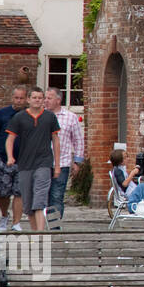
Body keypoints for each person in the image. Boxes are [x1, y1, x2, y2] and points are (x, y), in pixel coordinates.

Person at [4, 87, 60, 231]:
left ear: (43, 100)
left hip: (44, 162)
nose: (37, 100)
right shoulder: (19, 117)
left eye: (40, 98)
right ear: (28, 99)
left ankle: (40, 234)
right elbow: (10, 139)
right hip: (25, 164)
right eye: (34, 97)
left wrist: (57, 165)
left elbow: (55, 140)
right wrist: (10, 156)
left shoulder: (49, 117)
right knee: (28, 204)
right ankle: (35, 234)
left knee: (40, 200)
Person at [0, 85, 27, 231]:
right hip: (3, 159)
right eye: (16, 98)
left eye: (21, 98)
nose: (19, 101)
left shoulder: (29, 115)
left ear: (26, 99)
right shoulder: (2, 114)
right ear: (12, 98)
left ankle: (16, 222)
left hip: (23, 160)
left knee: (19, 192)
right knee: (2, 193)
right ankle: (4, 215)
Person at [43, 87, 85, 231]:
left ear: (58, 100)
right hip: (42, 163)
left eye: (49, 98)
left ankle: (54, 228)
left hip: (62, 163)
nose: (46, 101)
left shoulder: (70, 117)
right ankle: (42, 225)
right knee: (42, 195)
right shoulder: (41, 116)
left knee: (56, 195)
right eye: (45, 98)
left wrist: (77, 161)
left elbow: (78, 140)